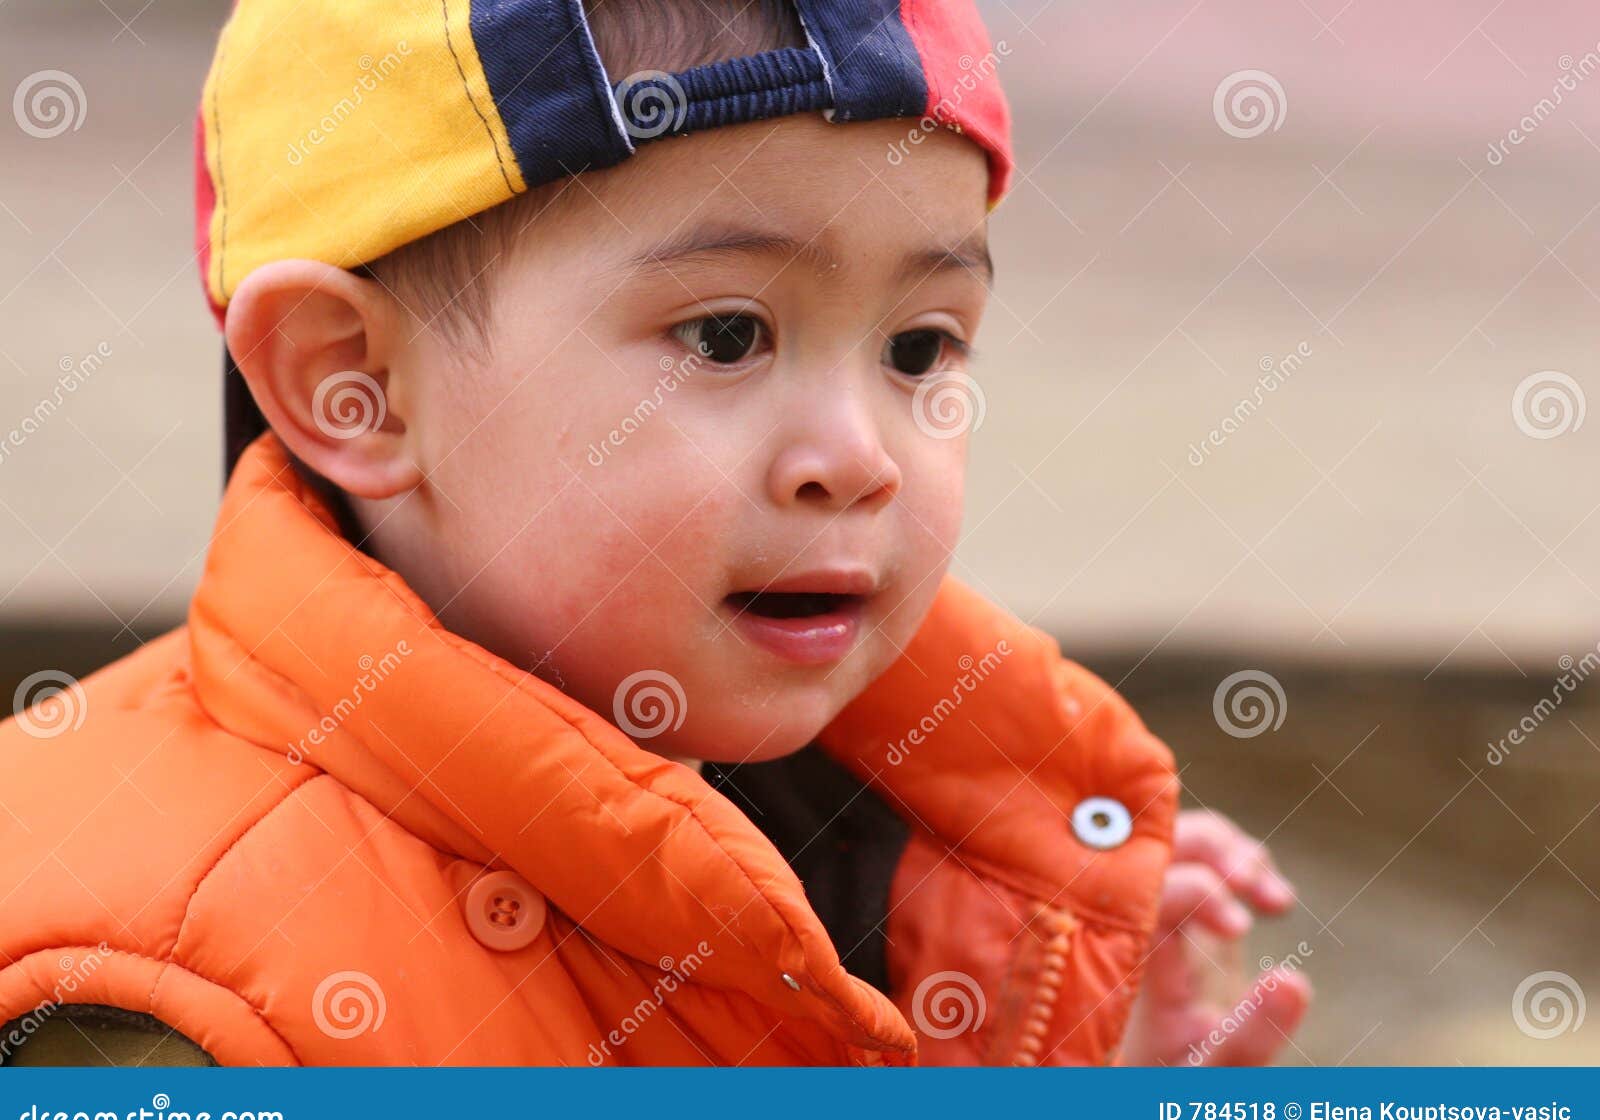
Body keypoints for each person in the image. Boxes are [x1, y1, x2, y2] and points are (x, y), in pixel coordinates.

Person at [0, 0, 1309, 1066]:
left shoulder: (891, 808)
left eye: (920, 346)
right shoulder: (166, 1010)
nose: (854, 457)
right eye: (728, 334)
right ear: (358, 382)